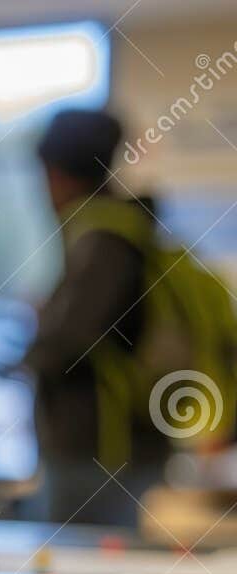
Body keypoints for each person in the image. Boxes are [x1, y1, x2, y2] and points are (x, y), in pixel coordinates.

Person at [23, 108, 237, 525]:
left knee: (84, 568)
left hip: (101, 447)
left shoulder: (101, 237)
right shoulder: (127, 227)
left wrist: (31, 350)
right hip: (131, 443)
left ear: (55, 172)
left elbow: (71, 339)